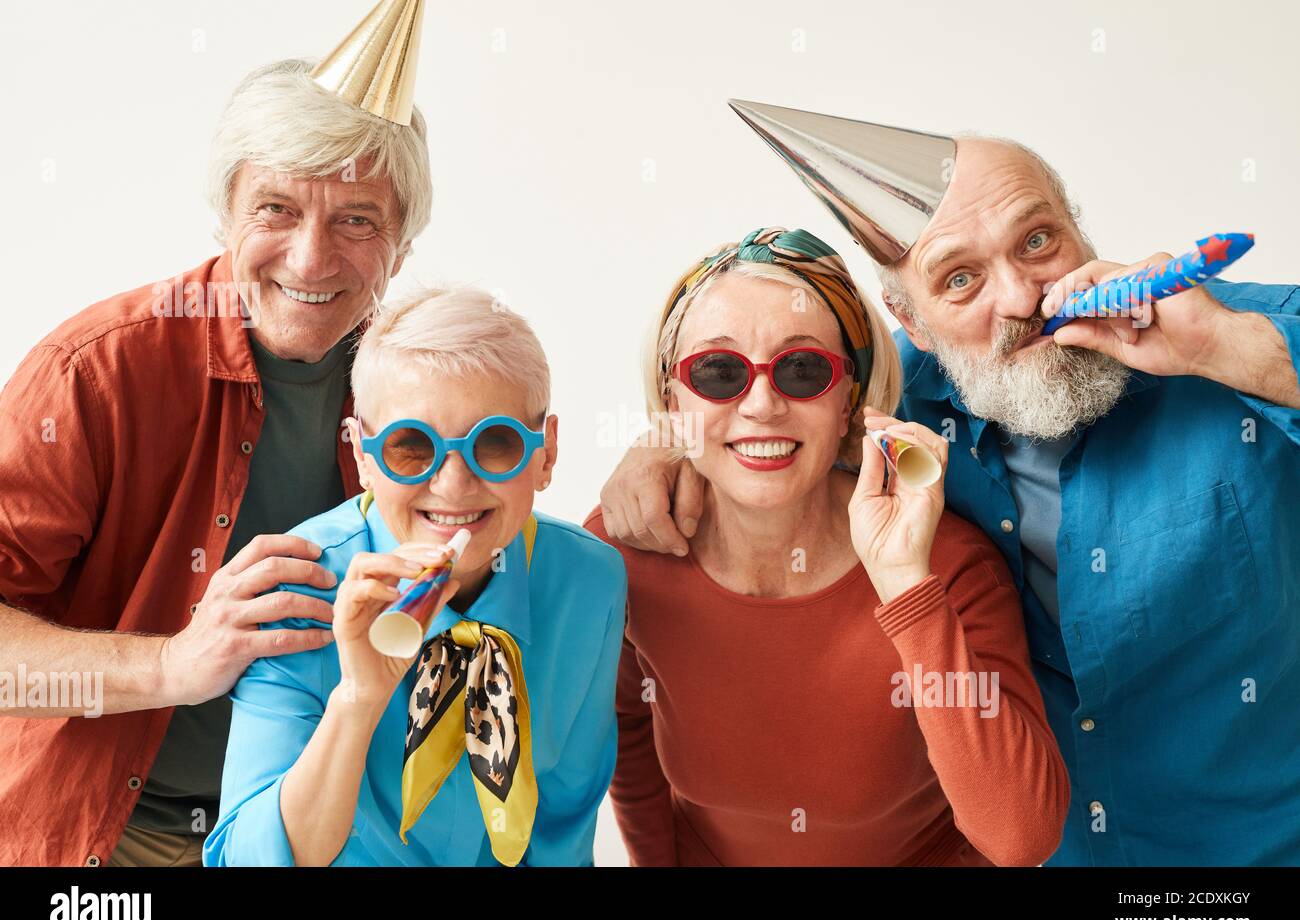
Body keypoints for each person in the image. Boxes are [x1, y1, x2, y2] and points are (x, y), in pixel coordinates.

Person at [600, 122, 1300, 865]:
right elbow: (778, 404)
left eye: (1037, 242)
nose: (1019, 298)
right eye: (959, 279)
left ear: (1081, 232)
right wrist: (667, 442)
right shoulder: (899, 410)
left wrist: (1230, 350)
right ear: (913, 324)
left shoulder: (1220, 330)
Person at [0, 2, 435, 866]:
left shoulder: (428, 380)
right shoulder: (97, 371)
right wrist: (172, 666)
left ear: (404, 242)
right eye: (275, 209)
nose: (311, 261)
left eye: (356, 219)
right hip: (114, 840)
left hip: (334, 832)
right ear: (224, 215)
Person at [587, 227, 1069, 866]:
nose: (761, 405)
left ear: (849, 401)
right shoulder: (628, 549)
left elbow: (1020, 837)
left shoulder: (944, 563)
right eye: (719, 371)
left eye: (803, 369)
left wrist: (905, 586)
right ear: (674, 399)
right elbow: (626, 733)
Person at [205, 286, 625, 866]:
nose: (452, 486)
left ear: (546, 454)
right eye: (410, 447)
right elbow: (246, 861)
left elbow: (562, 823)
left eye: (495, 444)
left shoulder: (590, 582)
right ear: (363, 456)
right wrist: (357, 697)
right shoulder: (297, 589)